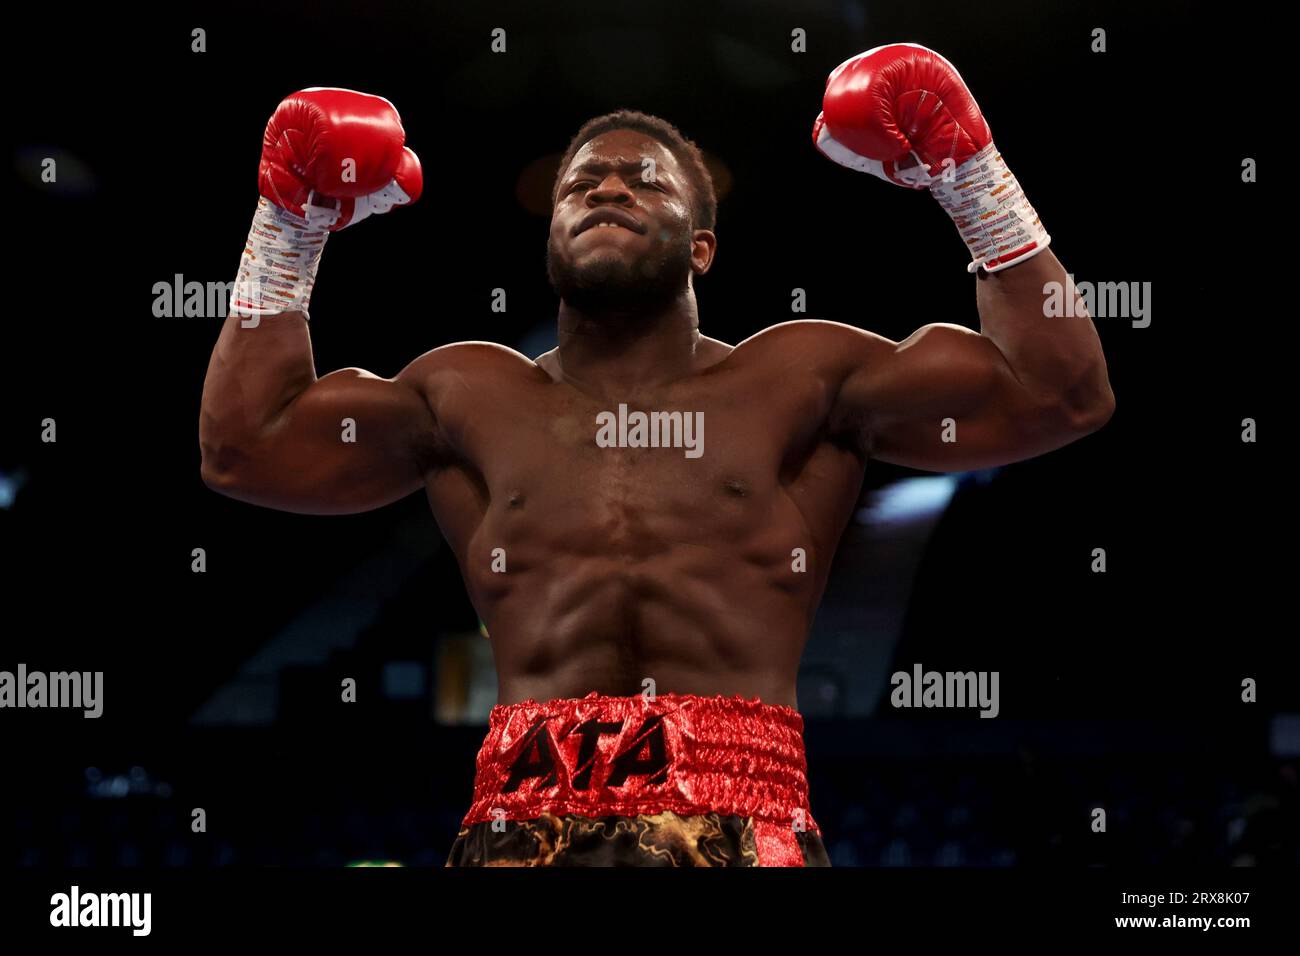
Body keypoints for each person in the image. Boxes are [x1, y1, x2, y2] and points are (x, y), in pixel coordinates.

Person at [200, 45, 1114, 866]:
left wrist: (969, 172)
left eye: (645, 181)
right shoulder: (465, 393)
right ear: (549, 238)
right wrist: (290, 224)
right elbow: (246, 452)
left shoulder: (805, 376)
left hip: (744, 820)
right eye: (581, 184)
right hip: (520, 825)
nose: (606, 190)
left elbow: (1060, 395)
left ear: (703, 248)